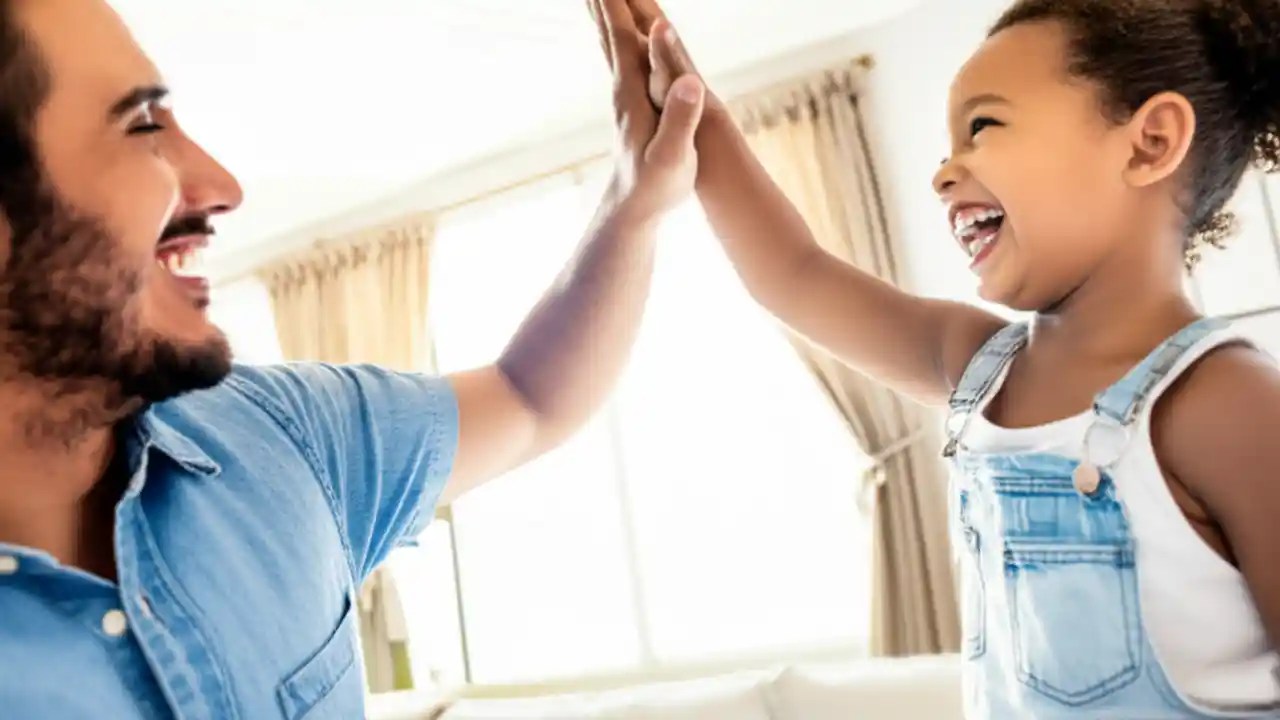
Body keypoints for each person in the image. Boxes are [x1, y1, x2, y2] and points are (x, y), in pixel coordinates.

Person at [0, 0, 708, 716]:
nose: (222, 186)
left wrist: (636, 201)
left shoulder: (282, 434)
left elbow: (529, 399)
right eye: (142, 127)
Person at [599, 0, 1280, 716]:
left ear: (1149, 143)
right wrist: (689, 114)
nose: (943, 174)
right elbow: (794, 275)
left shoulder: (1230, 403)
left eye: (982, 127)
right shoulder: (979, 367)